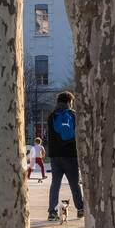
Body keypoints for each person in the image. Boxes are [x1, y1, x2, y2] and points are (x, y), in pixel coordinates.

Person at [47, 91, 84, 221]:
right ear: (69, 102)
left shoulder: (51, 116)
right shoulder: (73, 115)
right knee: (74, 183)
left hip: (55, 156)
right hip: (70, 155)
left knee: (55, 184)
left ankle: (52, 211)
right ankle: (80, 209)